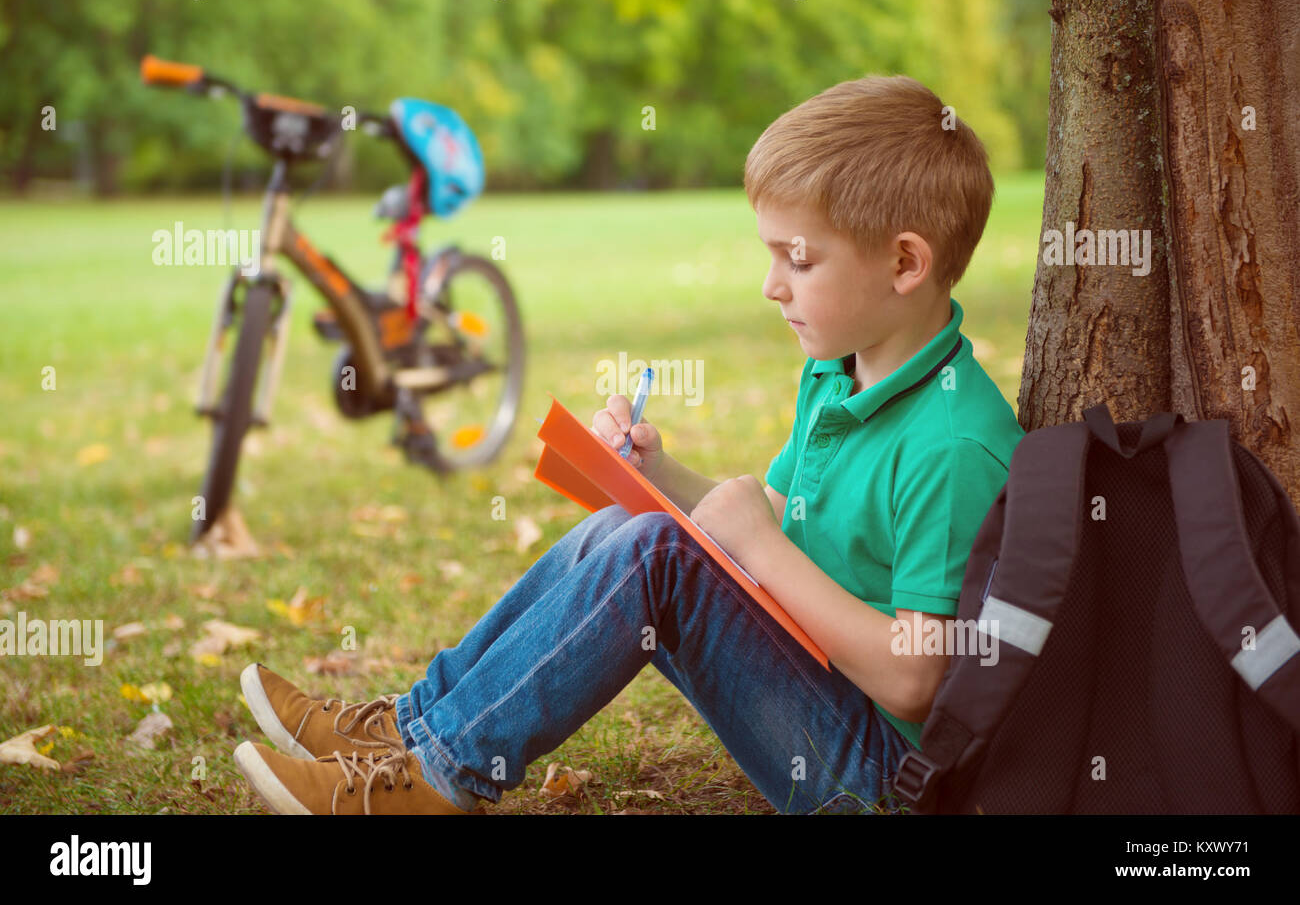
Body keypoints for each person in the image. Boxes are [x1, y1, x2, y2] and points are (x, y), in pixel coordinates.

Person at [231, 75, 1025, 815]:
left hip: (891, 780)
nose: (771, 284)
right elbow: (783, 522)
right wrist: (660, 476)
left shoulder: (950, 444)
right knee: (635, 529)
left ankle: (437, 778)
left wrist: (756, 542)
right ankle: (405, 730)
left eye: (799, 258)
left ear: (905, 262)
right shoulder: (839, 372)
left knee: (659, 554)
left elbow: (917, 677)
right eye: (770, 253)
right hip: (827, 701)